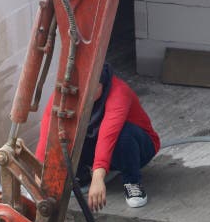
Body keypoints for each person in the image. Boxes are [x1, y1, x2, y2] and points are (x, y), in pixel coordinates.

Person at [35, 63, 160, 211]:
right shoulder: (66, 93)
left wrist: (98, 178)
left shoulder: (119, 92)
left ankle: (132, 181)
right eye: (83, 90)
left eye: (92, 90)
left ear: (102, 85)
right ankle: (82, 176)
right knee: (67, 132)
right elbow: (49, 131)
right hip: (99, 149)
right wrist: (40, 175)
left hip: (135, 148)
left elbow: (108, 135)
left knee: (124, 133)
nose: (85, 95)